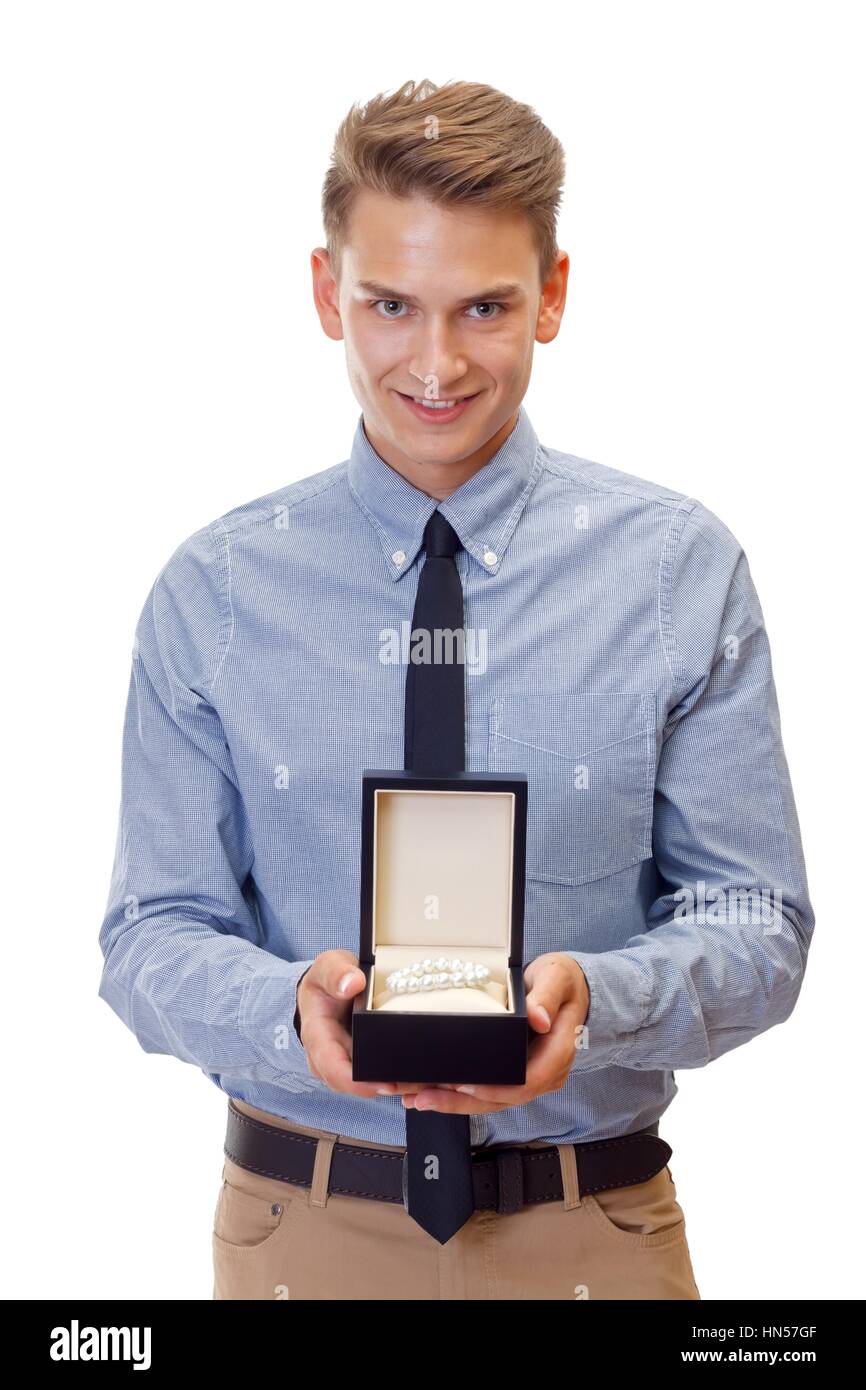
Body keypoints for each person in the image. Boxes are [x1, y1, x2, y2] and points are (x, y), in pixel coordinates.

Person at [97, 78, 815, 1300]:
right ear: (328, 295)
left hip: (592, 1228)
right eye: (390, 305)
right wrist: (291, 1013)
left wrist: (604, 998)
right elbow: (146, 933)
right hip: (298, 1232)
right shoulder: (213, 592)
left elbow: (758, 920)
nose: (434, 364)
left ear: (551, 296)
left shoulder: (675, 573)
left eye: (483, 306)